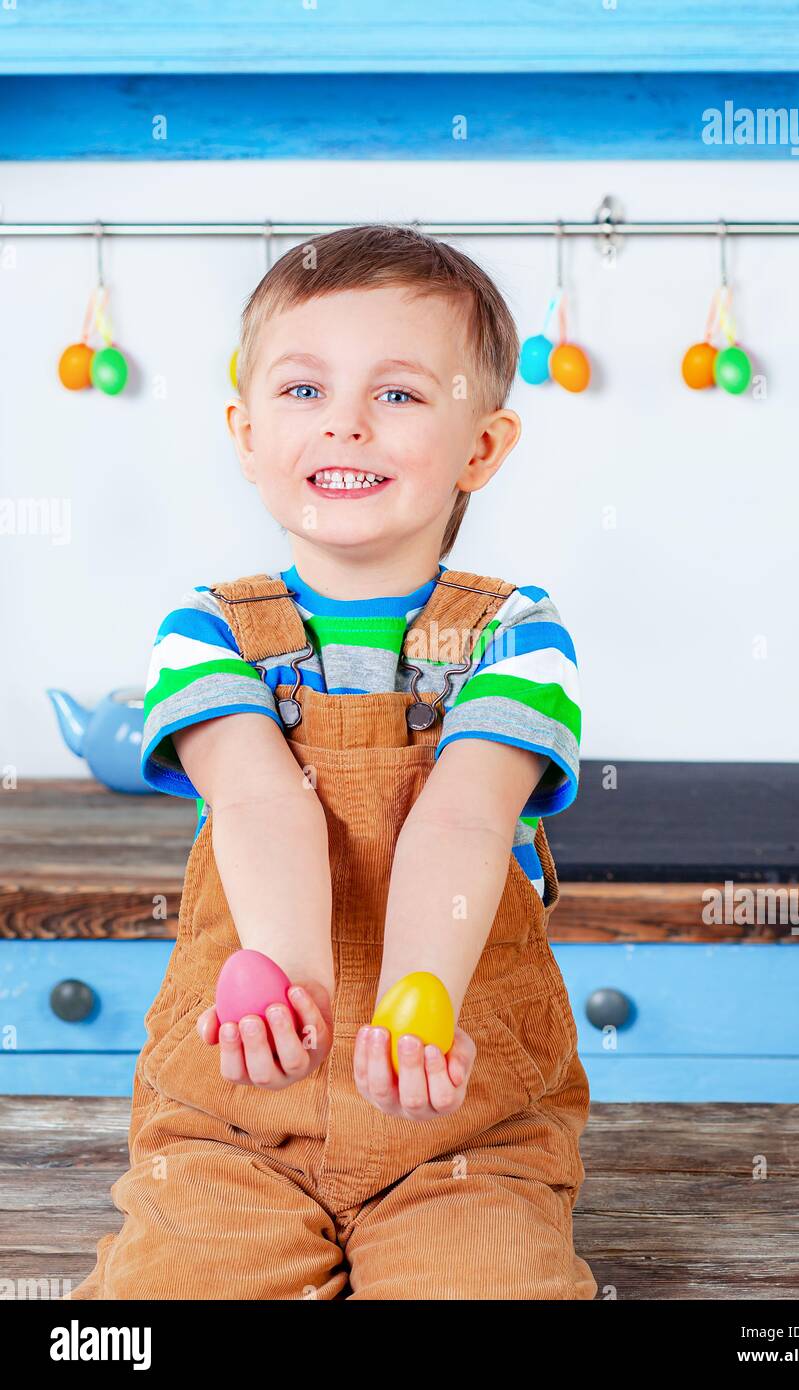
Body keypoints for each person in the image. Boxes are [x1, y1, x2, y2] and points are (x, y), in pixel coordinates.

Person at [67, 224, 596, 1300]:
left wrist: (416, 1001)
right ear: (246, 431)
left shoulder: (514, 635)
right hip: (232, 1123)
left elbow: (464, 818)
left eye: (399, 394)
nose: (345, 421)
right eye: (303, 390)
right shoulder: (206, 629)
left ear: (482, 448)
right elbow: (261, 799)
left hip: (462, 1123)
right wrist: (293, 984)